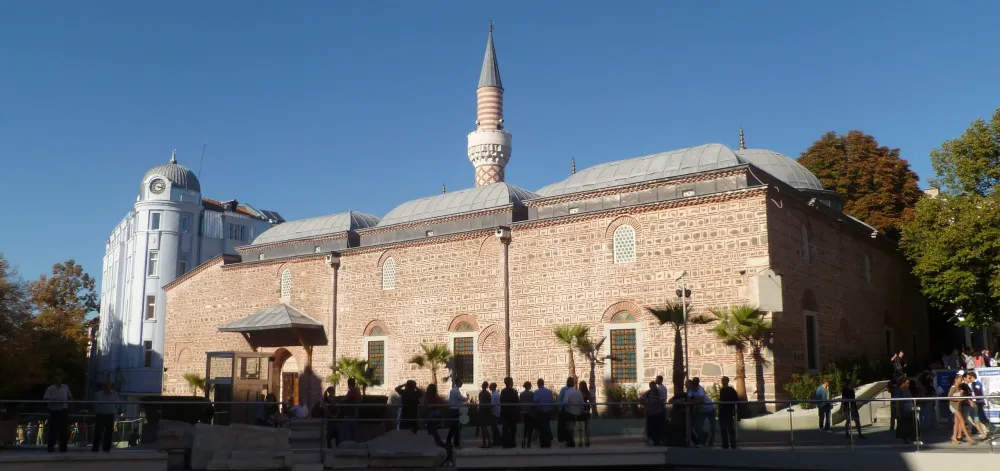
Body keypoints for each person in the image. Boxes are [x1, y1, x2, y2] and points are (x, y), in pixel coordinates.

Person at [424, 384, 454, 465]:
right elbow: (428, 405)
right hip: (432, 415)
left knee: (433, 434)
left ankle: (448, 452)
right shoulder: (430, 396)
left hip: (433, 415)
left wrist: (433, 406)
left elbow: (441, 402)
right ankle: (445, 452)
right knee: (431, 433)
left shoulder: (433, 396)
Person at [43, 375, 72, 453]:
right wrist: (54, 400)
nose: (58, 380)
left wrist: (68, 403)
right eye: (56, 379)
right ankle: (50, 448)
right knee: (53, 430)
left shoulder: (65, 387)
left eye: (59, 379)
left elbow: (70, 397)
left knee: (63, 430)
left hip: (63, 411)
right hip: (54, 411)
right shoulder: (50, 388)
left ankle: (63, 448)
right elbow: (45, 399)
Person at [92, 381, 119, 452]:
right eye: (106, 385)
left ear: (110, 386)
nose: (107, 387)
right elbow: (95, 404)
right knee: (98, 432)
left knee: (109, 433)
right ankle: (95, 448)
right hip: (100, 415)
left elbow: (117, 405)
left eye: (108, 385)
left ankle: (106, 448)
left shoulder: (115, 394)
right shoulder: (98, 394)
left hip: (110, 415)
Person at [949, 375, 976, 445]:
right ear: (956, 379)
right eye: (960, 379)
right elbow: (950, 397)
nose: (961, 380)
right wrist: (960, 399)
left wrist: (969, 401)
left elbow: (963, 397)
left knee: (957, 423)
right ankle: (968, 438)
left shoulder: (959, 387)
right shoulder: (953, 387)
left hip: (958, 406)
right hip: (954, 406)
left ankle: (954, 437)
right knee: (962, 421)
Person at [641, 381, 665, 446]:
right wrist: (646, 404)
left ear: (655, 386)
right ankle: (651, 440)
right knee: (650, 428)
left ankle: (658, 441)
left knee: (658, 427)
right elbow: (641, 398)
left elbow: (663, 399)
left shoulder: (659, 392)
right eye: (651, 386)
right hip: (650, 413)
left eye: (653, 386)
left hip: (658, 413)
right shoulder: (647, 393)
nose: (652, 387)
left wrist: (656, 401)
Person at [447, 379, 469, 448]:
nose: (461, 384)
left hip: (452, 410)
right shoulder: (456, 391)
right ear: (457, 383)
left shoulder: (452, 390)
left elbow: (454, 401)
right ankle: (455, 443)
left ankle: (451, 441)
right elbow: (463, 399)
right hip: (455, 410)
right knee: (456, 427)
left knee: (454, 427)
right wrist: (468, 396)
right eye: (460, 383)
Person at [717, 377, 738, 449]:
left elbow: (723, 401)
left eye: (724, 380)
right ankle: (730, 444)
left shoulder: (726, 390)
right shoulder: (730, 390)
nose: (723, 382)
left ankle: (727, 444)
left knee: (726, 429)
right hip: (728, 411)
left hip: (726, 411)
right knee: (727, 429)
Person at [532, 378, 554, 448]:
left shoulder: (537, 392)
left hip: (540, 412)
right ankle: (548, 442)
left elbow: (535, 401)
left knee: (541, 428)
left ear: (538, 384)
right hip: (548, 412)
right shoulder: (549, 392)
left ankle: (543, 442)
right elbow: (551, 401)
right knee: (547, 427)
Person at [562, 380, 584, 447]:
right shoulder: (578, 391)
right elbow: (582, 402)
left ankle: (571, 442)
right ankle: (580, 441)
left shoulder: (567, 392)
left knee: (570, 428)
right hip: (578, 412)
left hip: (570, 412)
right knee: (578, 428)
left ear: (567, 384)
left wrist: (567, 408)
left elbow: (565, 402)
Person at [499, 377, 520, 448]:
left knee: (505, 427)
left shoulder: (503, 391)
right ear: (510, 382)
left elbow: (501, 401)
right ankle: (511, 442)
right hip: (512, 413)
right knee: (512, 428)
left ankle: (505, 442)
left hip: (505, 412)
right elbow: (517, 402)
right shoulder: (514, 391)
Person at [339, 378, 361, 443]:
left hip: (350, 412)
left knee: (349, 428)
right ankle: (355, 441)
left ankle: (351, 442)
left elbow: (344, 399)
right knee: (354, 428)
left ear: (349, 384)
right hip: (355, 412)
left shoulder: (351, 391)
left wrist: (340, 400)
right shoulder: (357, 391)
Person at [895, 378, 917, 444]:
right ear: (903, 383)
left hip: (910, 409)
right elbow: (897, 401)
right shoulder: (899, 390)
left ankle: (911, 437)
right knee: (904, 425)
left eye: (909, 383)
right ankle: (904, 438)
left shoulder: (907, 390)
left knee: (910, 424)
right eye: (907, 383)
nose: (908, 385)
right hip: (903, 410)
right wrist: (897, 411)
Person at [556, 377, 573, 444]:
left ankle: (568, 438)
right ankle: (562, 438)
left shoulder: (573, 389)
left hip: (570, 410)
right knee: (562, 425)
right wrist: (560, 409)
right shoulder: (564, 389)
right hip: (564, 409)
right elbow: (560, 399)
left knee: (568, 425)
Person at [477, 381, 493, 448]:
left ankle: (487, 442)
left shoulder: (484, 394)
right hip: (484, 411)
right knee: (484, 427)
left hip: (484, 411)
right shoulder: (487, 394)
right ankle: (487, 442)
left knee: (484, 428)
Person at [519, 381, 535, 448]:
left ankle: (524, 440)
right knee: (530, 428)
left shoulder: (522, 394)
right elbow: (533, 402)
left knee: (525, 427)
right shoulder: (532, 394)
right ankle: (529, 442)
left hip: (524, 412)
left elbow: (520, 403)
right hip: (530, 412)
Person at [578, 381, 593, 447]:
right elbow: (591, 402)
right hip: (584, 411)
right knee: (584, 427)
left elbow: (591, 401)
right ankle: (584, 441)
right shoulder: (587, 393)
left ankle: (584, 441)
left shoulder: (581, 393)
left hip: (583, 411)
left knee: (583, 427)